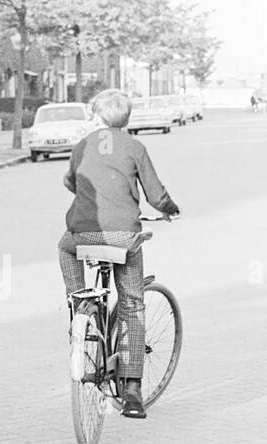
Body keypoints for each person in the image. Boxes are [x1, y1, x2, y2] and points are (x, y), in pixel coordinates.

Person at [60, 88, 180, 420]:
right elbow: (155, 194)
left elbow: (70, 181)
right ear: (126, 119)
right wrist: (170, 209)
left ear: (97, 116)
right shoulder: (135, 147)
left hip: (82, 233)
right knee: (132, 303)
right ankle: (131, 391)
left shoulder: (83, 145)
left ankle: (79, 308)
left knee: (64, 247)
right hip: (123, 237)